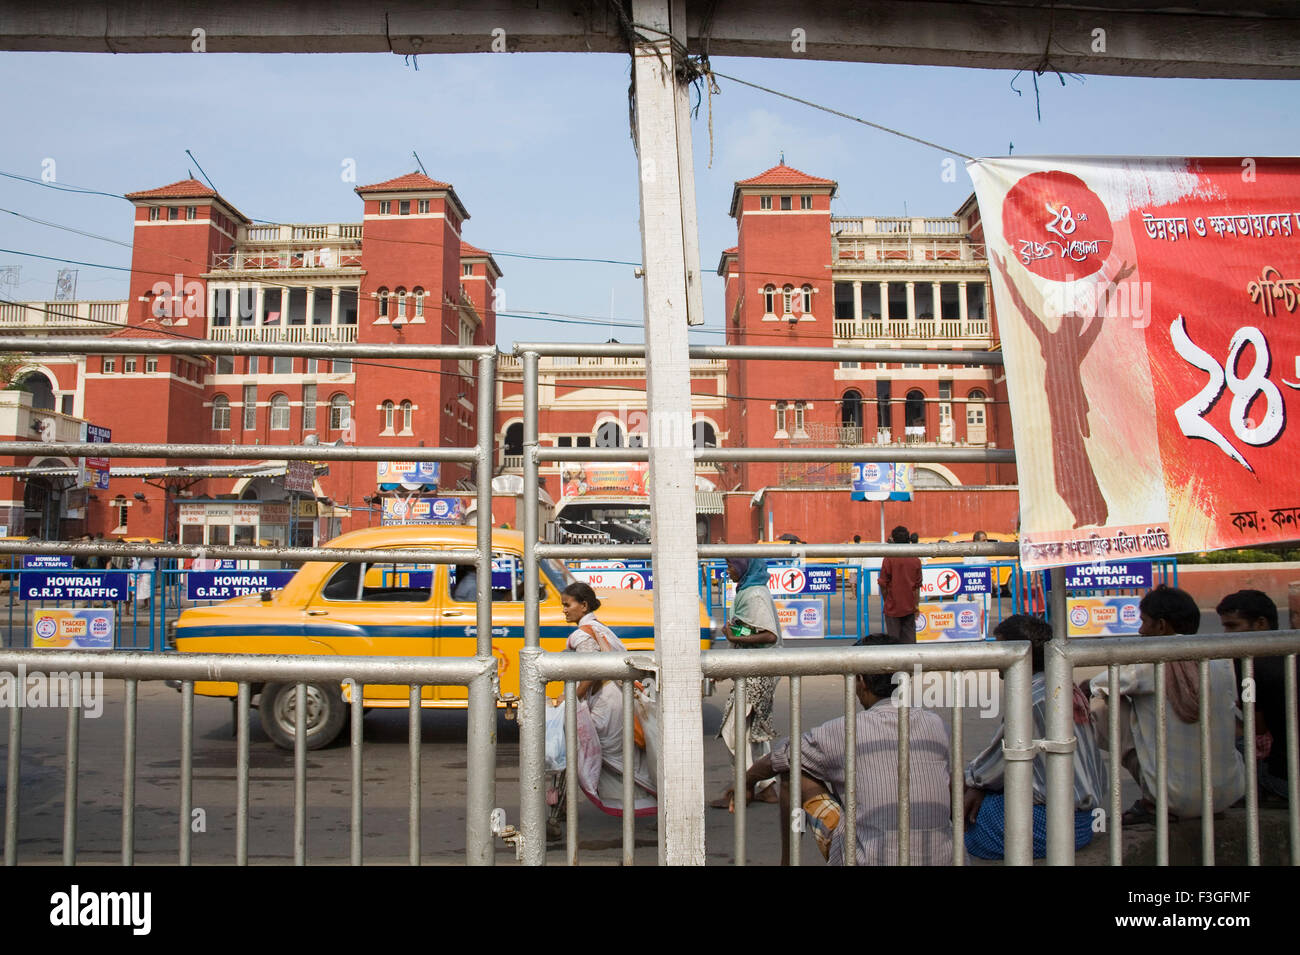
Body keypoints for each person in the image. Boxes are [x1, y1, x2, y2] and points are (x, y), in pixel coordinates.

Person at [745, 634, 953, 865]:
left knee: (793, 773)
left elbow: (779, 757)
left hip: (868, 859)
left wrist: (746, 781)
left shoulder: (844, 730)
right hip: (943, 857)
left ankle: (788, 861)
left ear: (861, 681)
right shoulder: (936, 724)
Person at [1087, 585, 1245, 823]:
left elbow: (1098, 685)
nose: (1140, 631)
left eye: (1144, 622)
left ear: (1161, 626)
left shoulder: (1153, 663)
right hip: (1228, 794)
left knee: (1100, 702)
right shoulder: (1221, 661)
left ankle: (1151, 800)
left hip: (1174, 798)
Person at [964, 614, 1106, 858]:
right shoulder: (1060, 686)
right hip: (1085, 822)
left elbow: (992, 766)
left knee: (966, 815)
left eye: (999, 648)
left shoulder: (1031, 699)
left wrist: (973, 783)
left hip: (1051, 824)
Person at [552, 581, 655, 815]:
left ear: (584, 605)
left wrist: (569, 699)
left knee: (608, 756)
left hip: (607, 703)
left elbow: (591, 673)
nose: (564, 610)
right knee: (619, 758)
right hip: (615, 698)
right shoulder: (598, 628)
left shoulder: (582, 635)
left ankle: (660, 798)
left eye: (568, 605)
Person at [711, 557, 782, 809]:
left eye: (731, 566)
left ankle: (745, 788)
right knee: (753, 732)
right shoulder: (749, 590)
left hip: (759, 669)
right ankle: (766, 786)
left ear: (744, 567)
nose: (727, 570)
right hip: (755, 666)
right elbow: (752, 629)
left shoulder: (754, 594)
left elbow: (768, 634)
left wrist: (733, 634)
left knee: (734, 731)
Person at [1217, 590, 1294, 803]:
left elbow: (1256, 728)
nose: (1226, 634)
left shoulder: (1248, 666)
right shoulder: (1292, 653)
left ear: (1260, 623)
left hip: (1284, 779)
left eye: (1232, 626)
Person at [877, 525, 922, 644]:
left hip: (892, 606)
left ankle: (896, 663)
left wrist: (887, 599)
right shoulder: (915, 559)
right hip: (909, 605)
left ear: (894, 540)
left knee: (894, 643)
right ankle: (915, 663)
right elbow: (917, 587)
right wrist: (916, 605)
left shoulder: (889, 559)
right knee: (910, 641)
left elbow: (883, 583)